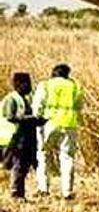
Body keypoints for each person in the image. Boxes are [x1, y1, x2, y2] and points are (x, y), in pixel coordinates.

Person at [33, 61, 82, 200]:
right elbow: (79, 105)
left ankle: (43, 189)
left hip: (48, 123)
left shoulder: (45, 85)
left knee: (43, 154)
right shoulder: (75, 86)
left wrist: (37, 119)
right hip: (69, 124)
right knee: (67, 157)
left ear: (53, 73)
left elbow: (38, 105)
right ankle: (67, 192)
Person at [2, 71, 41, 200]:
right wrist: (31, 119)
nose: (29, 86)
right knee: (17, 165)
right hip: (12, 138)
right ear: (18, 84)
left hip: (23, 138)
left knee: (23, 166)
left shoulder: (24, 99)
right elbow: (10, 117)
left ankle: (20, 193)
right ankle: (15, 193)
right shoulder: (11, 99)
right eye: (27, 83)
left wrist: (37, 121)